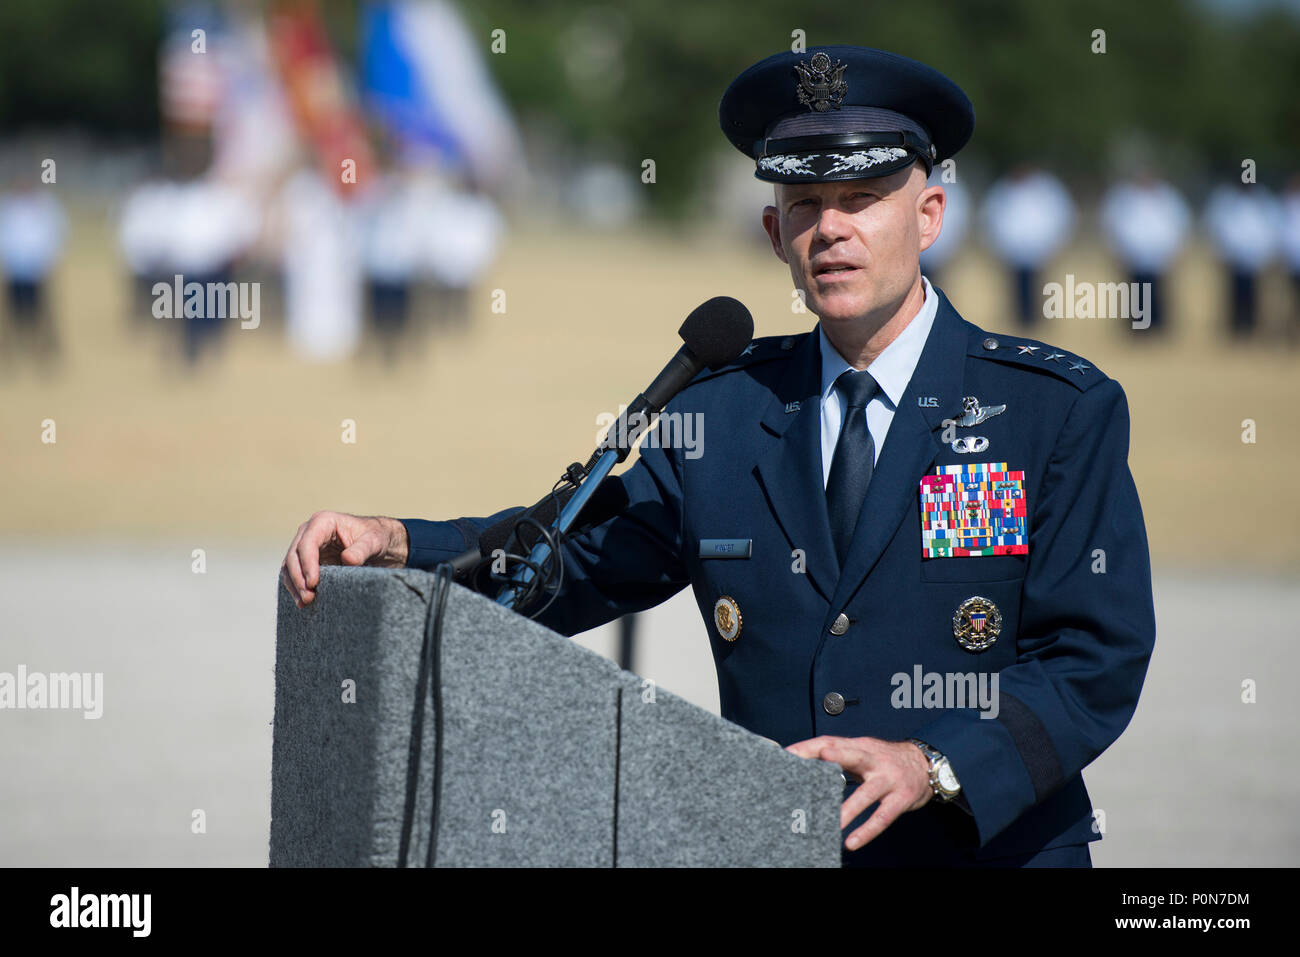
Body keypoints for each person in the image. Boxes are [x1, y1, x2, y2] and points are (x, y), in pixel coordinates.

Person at [281, 45, 1156, 867]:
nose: (831, 231)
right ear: (775, 235)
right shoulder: (724, 407)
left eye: (863, 200)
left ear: (928, 215)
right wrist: (396, 541)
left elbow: (1094, 655)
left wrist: (935, 765)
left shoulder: (1052, 411)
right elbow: (573, 562)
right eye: (806, 208)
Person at [980, 165, 1075, 329]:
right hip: (1012, 249)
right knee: (1016, 287)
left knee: (1037, 286)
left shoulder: (1046, 190)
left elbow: (1060, 215)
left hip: (1038, 248)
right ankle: (1020, 320)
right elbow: (991, 218)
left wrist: (1052, 242)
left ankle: (1036, 321)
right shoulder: (1003, 191)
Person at [1100, 171, 1191, 337]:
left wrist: (1175, 250)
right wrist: (1117, 249)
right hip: (1132, 253)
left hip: (1160, 254)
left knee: (1157, 292)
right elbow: (1111, 223)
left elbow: (1179, 224)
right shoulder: (1124, 197)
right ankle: (1136, 328)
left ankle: (1158, 327)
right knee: (1135, 292)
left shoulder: (1168, 197)